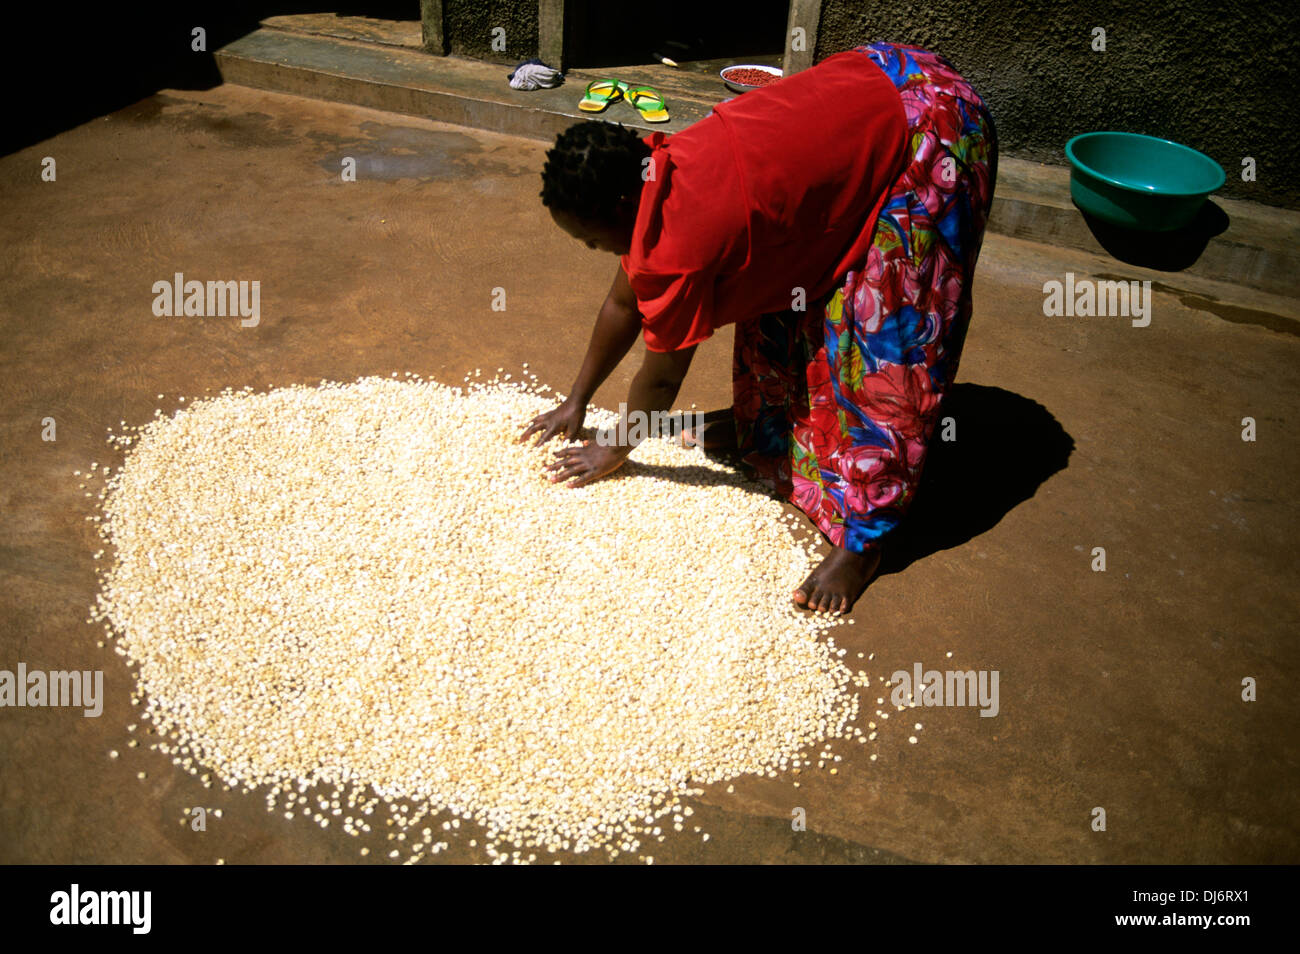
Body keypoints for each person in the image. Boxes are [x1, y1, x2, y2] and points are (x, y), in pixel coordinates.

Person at [521, 41, 998, 614]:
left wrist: (615, 448)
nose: (597, 251)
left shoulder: (679, 245)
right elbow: (624, 303)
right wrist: (578, 399)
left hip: (931, 132)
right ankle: (773, 435)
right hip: (875, 88)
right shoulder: (651, 174)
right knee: (780, 292)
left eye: (593, 239)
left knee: (886, 332)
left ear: (624, 207)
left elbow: (663, 374)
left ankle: (867, 539)